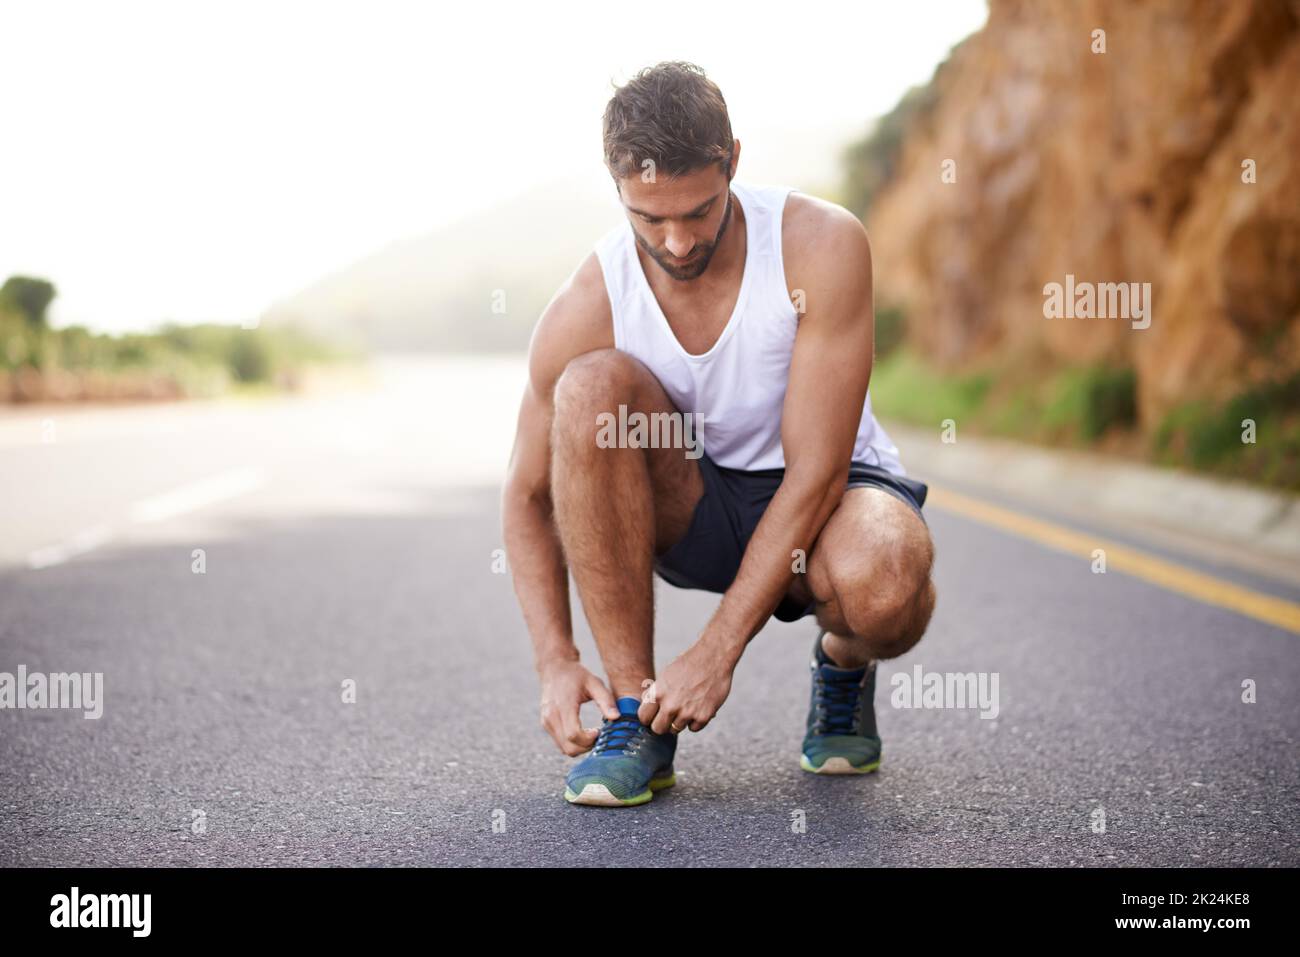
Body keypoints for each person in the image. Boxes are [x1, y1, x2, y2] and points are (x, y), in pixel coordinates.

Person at [501, 61, 936, 806]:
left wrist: (715, 650)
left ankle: (841, 660)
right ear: (617, 190)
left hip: (825, 501)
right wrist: (554, 657)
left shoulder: (820, 244)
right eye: (649, 218)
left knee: (888, 582)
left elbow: (819, 473)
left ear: (732, 159)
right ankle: (636, 716)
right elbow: (526, 492)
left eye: (698, 211)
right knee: (590, 387)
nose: (674, 242)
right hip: (693, 503)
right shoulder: (588, 301)